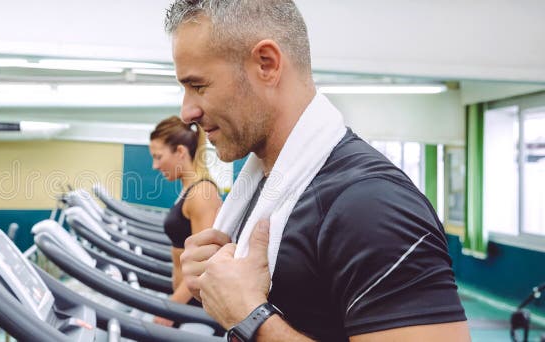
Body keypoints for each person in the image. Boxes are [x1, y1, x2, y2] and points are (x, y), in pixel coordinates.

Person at [164, 1, 470, 341]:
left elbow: (248, 312)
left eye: (199, 86)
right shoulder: (266, 189)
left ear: (266, 64)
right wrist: (215, 278)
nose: (187, 111)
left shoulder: (371, 205)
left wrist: (250, 318)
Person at [148, 116, 223, 327]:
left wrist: (171, 309)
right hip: (184, 303)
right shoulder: (188, 190)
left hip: (193, 308)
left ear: (180, 152)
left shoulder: (201, 193)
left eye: (158, 157)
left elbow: (204, 265)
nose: (154, 165)